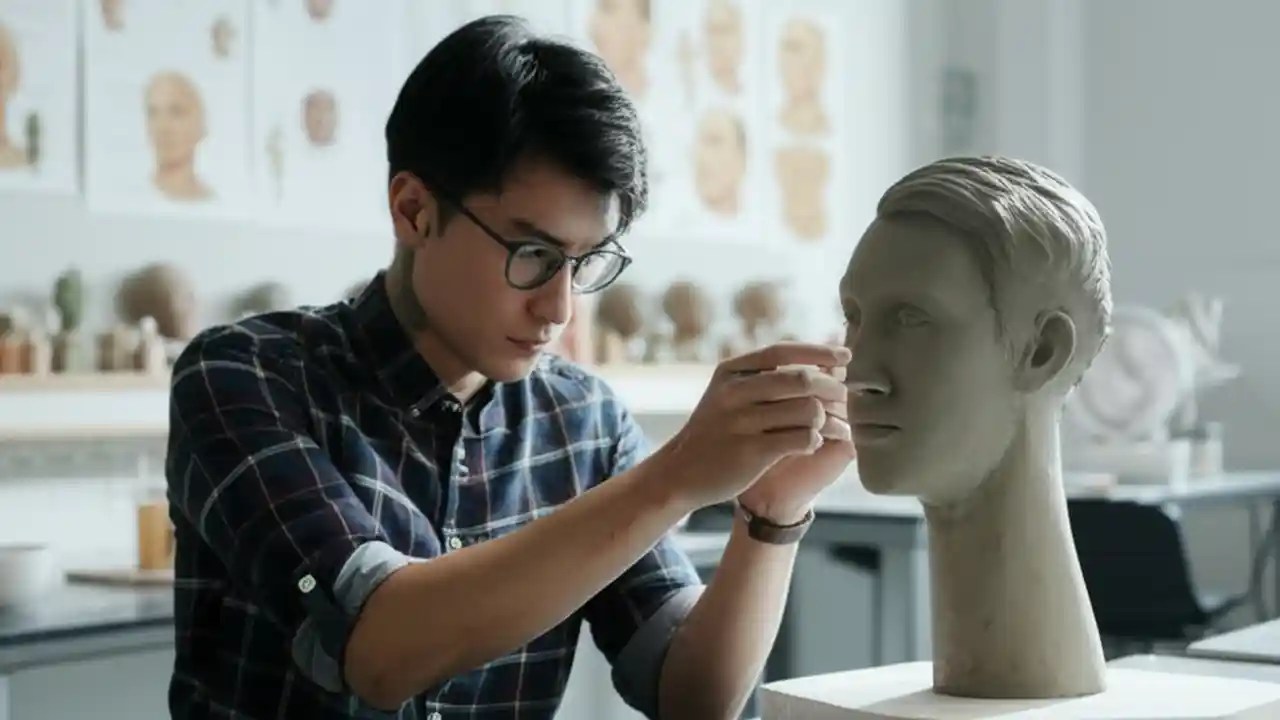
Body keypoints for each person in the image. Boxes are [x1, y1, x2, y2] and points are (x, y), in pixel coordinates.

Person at [165, 14, 854, 720]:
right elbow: (377, 649)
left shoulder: (583, 420)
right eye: (533, 255)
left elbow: (692, 696)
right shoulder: (245, 376)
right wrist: (676, 475)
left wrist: (772, 513)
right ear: (413, 210)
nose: (560, 308)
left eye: (586, 263)